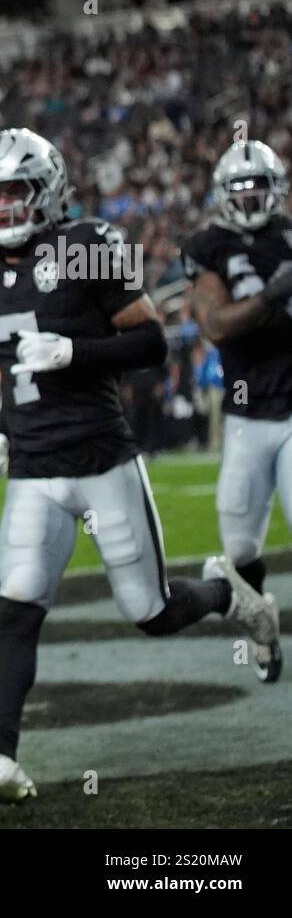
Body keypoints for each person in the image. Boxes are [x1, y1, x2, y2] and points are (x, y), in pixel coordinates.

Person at [0, 128, 279, 812]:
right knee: (17, 607)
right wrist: (4, 430)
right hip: (35, 468)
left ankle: (229, 595)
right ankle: (3, 758)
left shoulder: (91, 245)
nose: (5, 206)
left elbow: (152, 341)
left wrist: (74, 353)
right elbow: (14, 366)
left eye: (17, 191)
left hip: (102, 458)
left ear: (48, 188)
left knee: (151, 612)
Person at [184, 138, 292, 676]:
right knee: (240, 546)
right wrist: (273, 296)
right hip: (247, 415)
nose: (250, 201)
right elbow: (215, 324)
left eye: (259, 189)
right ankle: (262, 628)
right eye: (240, 190)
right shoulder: (208, 247)